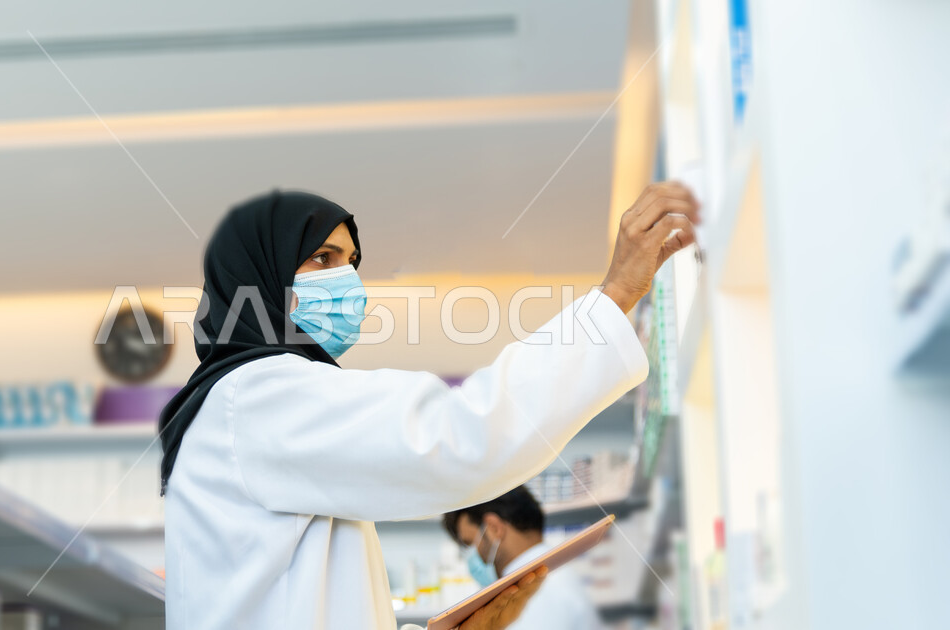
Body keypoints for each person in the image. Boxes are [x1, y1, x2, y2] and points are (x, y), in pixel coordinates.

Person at [160, 184, 699, 629]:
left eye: (351, 263)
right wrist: (616, 296)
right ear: (259, 275)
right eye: (323, 259)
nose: (346, 281)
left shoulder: (252, 404)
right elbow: (459, 438)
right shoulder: (258, 396)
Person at [443, 486, 602, 630]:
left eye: (470, 543)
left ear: (493, 528)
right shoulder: (553, 575)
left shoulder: (532, 591)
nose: (472, 557)